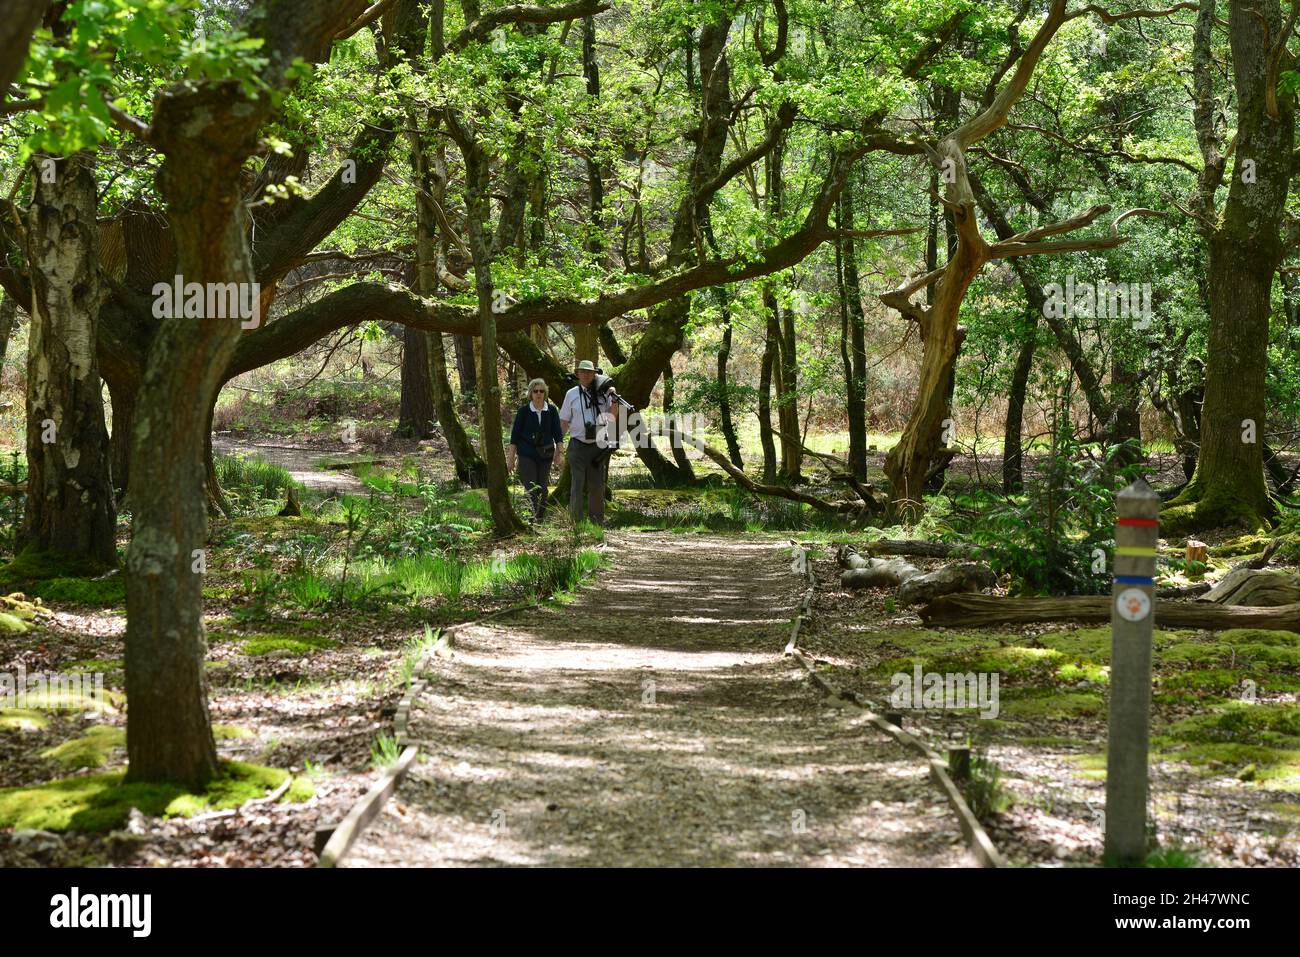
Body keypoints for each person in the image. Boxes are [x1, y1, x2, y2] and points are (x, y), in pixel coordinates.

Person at [558, 359, 617, 526]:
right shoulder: (571, 394)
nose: (585, 375)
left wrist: (613, 397)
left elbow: (612, 417)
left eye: (589, 372)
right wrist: (558, 444)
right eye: (582, 372)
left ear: (594, 374)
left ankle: (597, 523)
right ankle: (576, 523)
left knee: (597, 486)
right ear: (578, 374)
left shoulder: (603, 392)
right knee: (576, 484)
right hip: (577, 444)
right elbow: (563, 421)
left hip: (598, 444)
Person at [506, 378, 564, 523]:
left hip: (546, 454)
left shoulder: (551, 411)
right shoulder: (523, 411)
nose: (538, 394)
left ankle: (540, 518)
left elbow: (558, 434)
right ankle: (530, 519)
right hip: (527, 454)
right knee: (531, 487)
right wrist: (510, 459)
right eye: (535, 391)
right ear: (531, 393)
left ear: (545, 393)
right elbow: (514, 438)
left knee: (543, 490)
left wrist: (560, 454)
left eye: (542, 391)